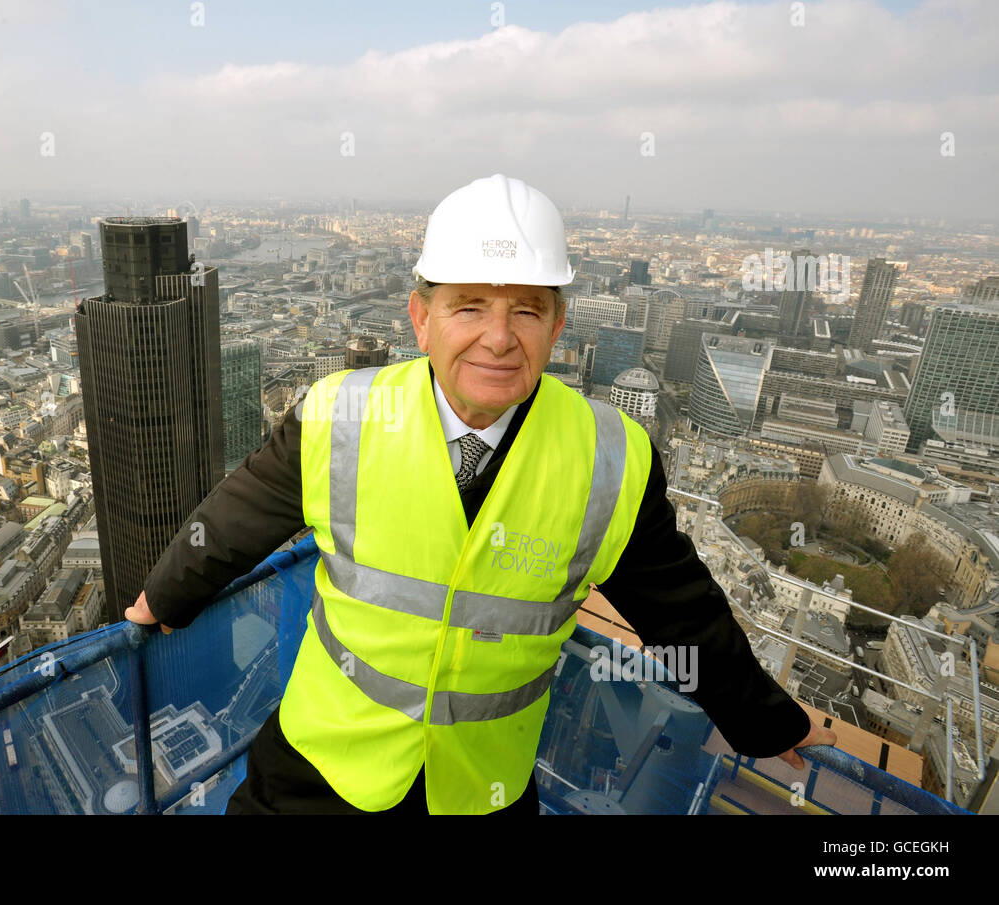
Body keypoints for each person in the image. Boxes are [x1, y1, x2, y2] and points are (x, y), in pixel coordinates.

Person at [127, 173, 837, 814]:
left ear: (558, 328)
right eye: (469, 307)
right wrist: (165, 594)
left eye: (526, 312)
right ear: (421, 318)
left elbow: (682, 610)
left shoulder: (610, 460)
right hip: (321, 768)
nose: (499, 339)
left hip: (482, 787)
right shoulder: (338, 416)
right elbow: (233, 518)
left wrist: (765, 719)